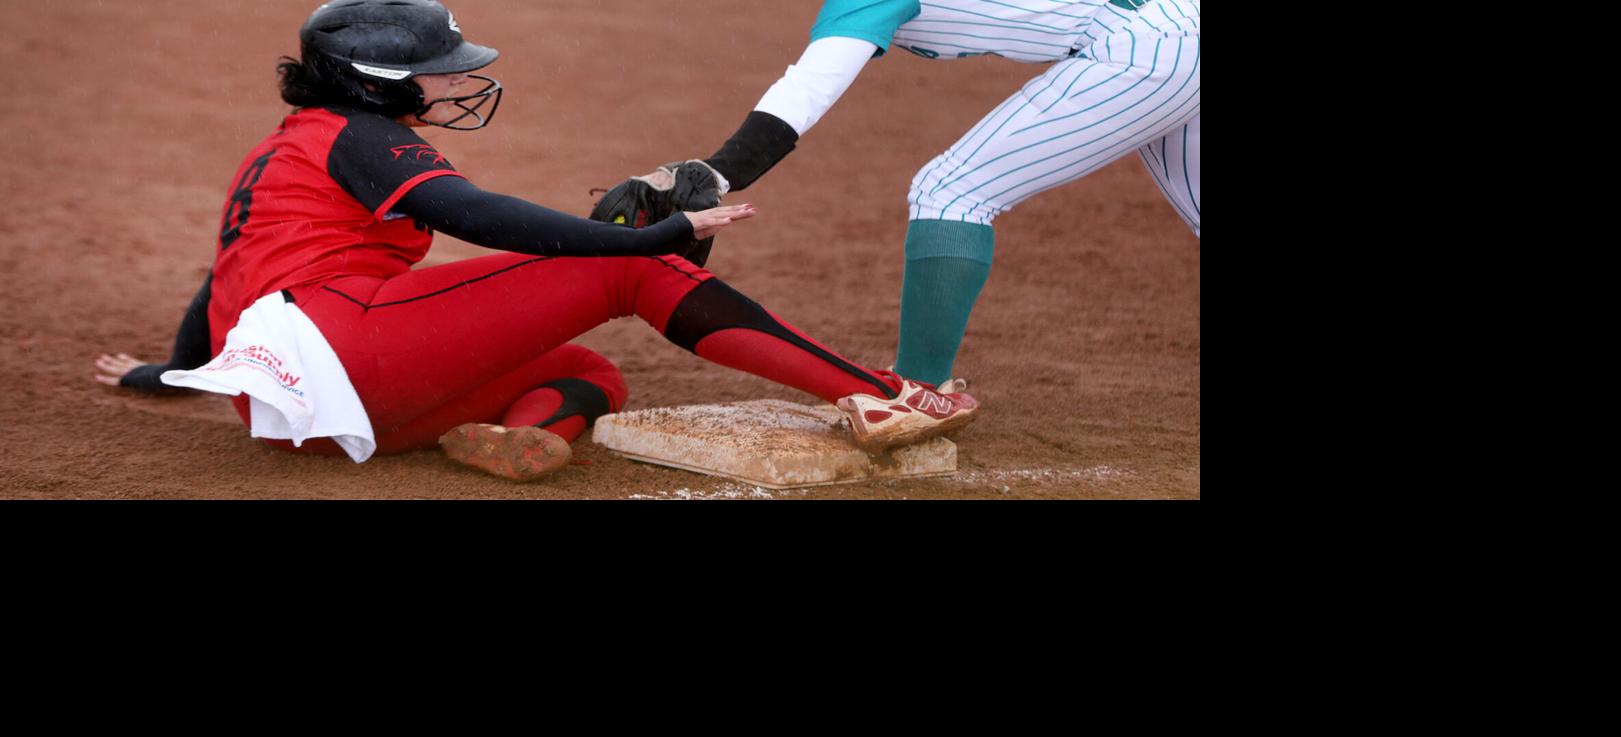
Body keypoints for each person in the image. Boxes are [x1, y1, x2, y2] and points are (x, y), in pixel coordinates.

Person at [94, 0, 978, 481]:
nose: (456, 82)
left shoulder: (284, 147)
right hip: (344, 349)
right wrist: (651, 240)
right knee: (635, 273)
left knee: (589, 373)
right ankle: (882, 396)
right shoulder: (360, 136)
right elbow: (470, 212)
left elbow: (223, 280)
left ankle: (523, 440)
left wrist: (168, 372)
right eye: (440, 72)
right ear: (381, 82)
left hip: (301, 419)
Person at [617, 0, 1200, 388]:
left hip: (1145, 49)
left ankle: (919, 388)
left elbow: (810, 87)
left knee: (951, 191)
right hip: (1177, 27)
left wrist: (715, 174)